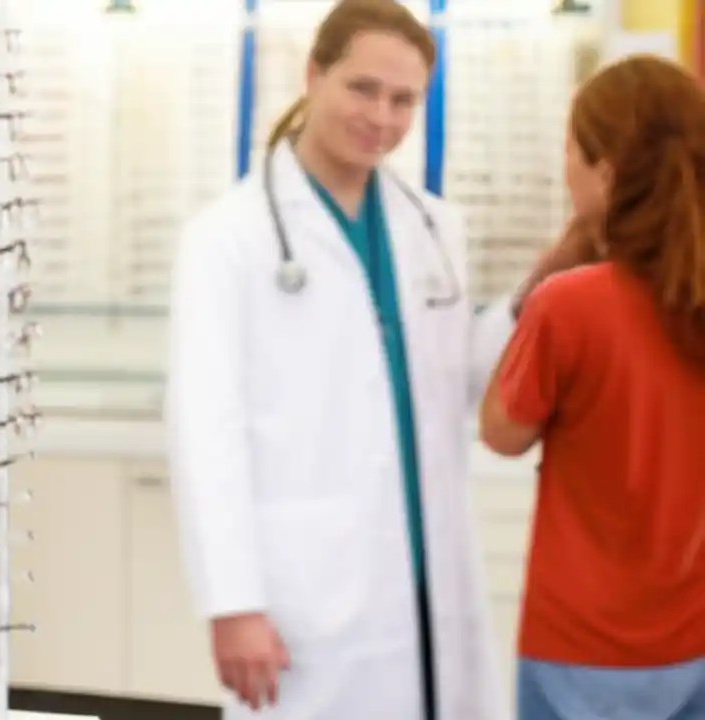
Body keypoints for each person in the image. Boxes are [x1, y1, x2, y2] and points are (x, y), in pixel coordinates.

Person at [163, 0, 584, 717]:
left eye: (403, 99)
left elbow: (460, 381)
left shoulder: (433, 226)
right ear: (314, 75)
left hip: (426, 573)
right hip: (309, 587)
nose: (381, 117)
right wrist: (233, 603)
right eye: (362, 88)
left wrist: (530, 293)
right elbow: (204, 433)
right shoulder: (227, 240)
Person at [479, 54, 705, 720]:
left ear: (604, 173)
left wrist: (546, 273)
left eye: (570, 150)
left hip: (582, 646)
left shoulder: (569, 304)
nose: (564, 168)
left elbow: (501, 432)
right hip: (693, 636)